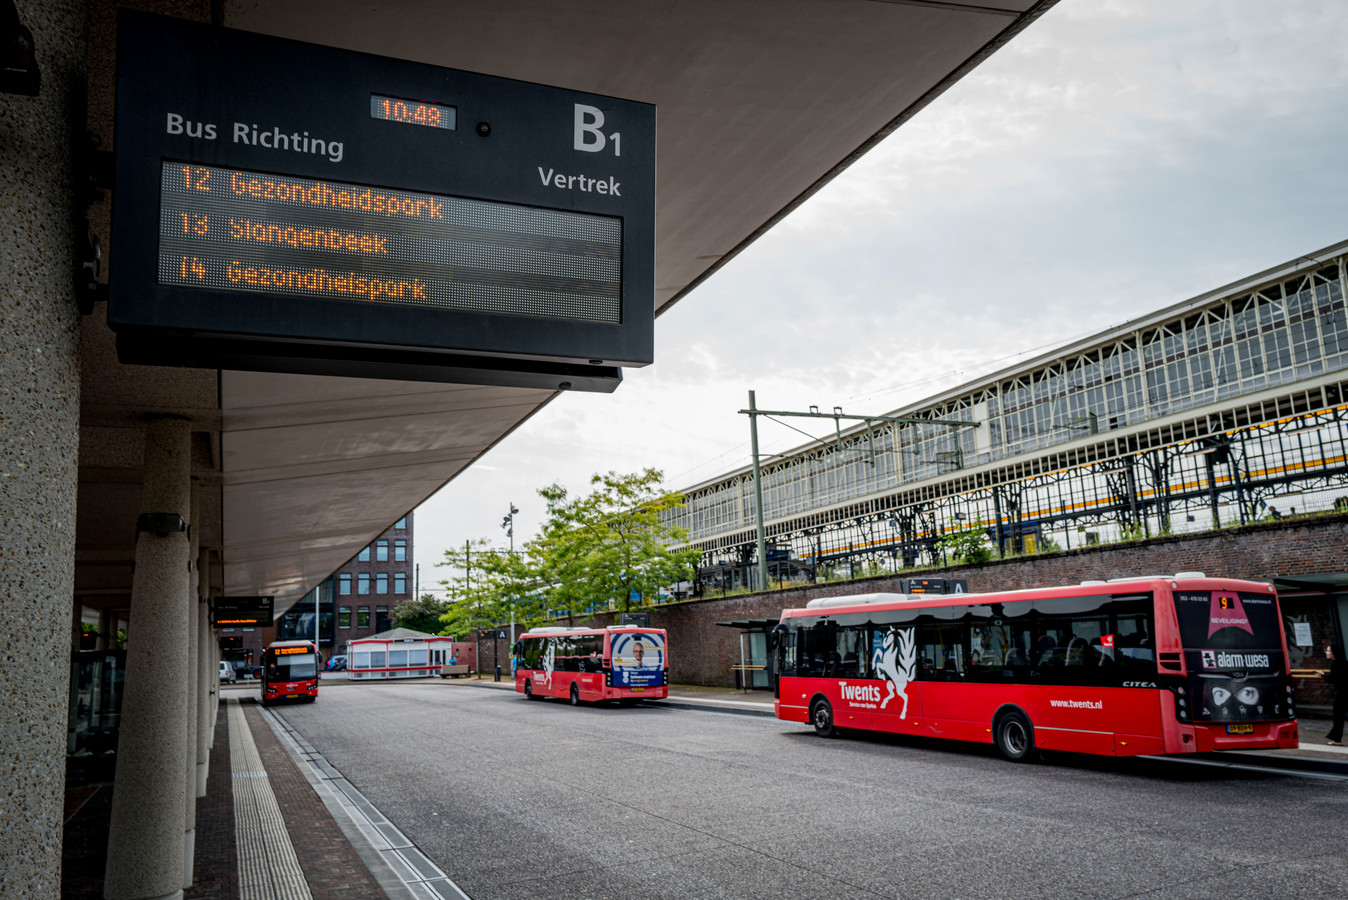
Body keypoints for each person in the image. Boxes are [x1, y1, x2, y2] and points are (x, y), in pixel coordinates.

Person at [1323, 644, 1347, 745]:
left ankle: (1337, 739)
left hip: (1342, 694)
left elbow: (1334, 680)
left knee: (1338, 717)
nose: (1326, 653)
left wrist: (1323, 675)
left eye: (1328, 651)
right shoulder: (1344, 663)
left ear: (1333, 653)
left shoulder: (1335, 664)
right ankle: (1336, 738)